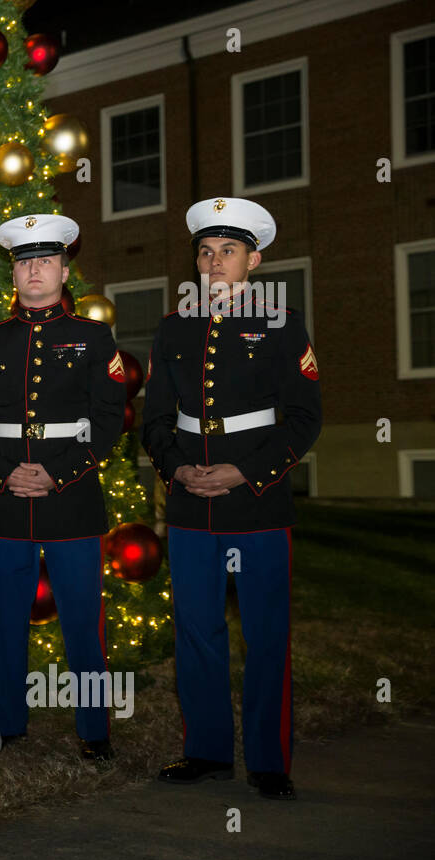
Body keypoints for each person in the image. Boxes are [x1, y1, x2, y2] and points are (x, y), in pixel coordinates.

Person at [142, 197, 321, 800]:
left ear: (254, 261)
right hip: (193, 503)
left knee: (266, 632)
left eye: (228, 252)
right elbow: (156, 420)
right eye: (205, 251)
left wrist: (243, 472)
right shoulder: (172, 327)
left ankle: (270, 761)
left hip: (257, 501)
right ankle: (208, 751)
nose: (214, 262)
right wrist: (178, 471)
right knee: (196, 629)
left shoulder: (282, 323)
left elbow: (303, 419)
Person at [0, 214, 126, 760]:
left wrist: (57, 472)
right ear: (13, 274)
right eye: (24, 261)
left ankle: (95, 730)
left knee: (84, 623)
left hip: (72, 499)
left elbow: (109, 420)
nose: (34, 270)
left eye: (45, 260)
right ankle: (7, 722)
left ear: (63, 268)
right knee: (4, 622)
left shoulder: (94, 338)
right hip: (3, 501)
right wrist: (5, 472)